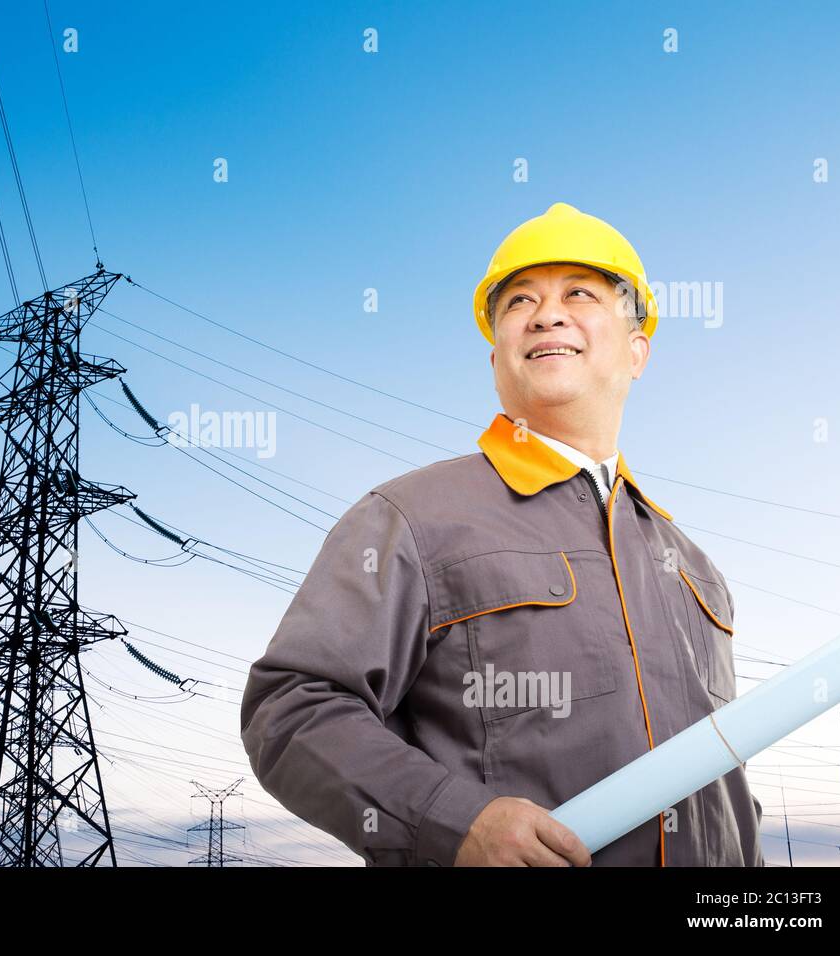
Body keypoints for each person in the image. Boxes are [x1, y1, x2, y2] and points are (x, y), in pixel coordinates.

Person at [239, 202, 764, 866]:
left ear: (638, 351)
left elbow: (726, 787)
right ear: (497, 359)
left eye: (580, 293)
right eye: (520, 301)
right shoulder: (411, 516)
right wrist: (453, 823)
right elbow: (289, 710)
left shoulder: (693, 568)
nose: (547, 314)